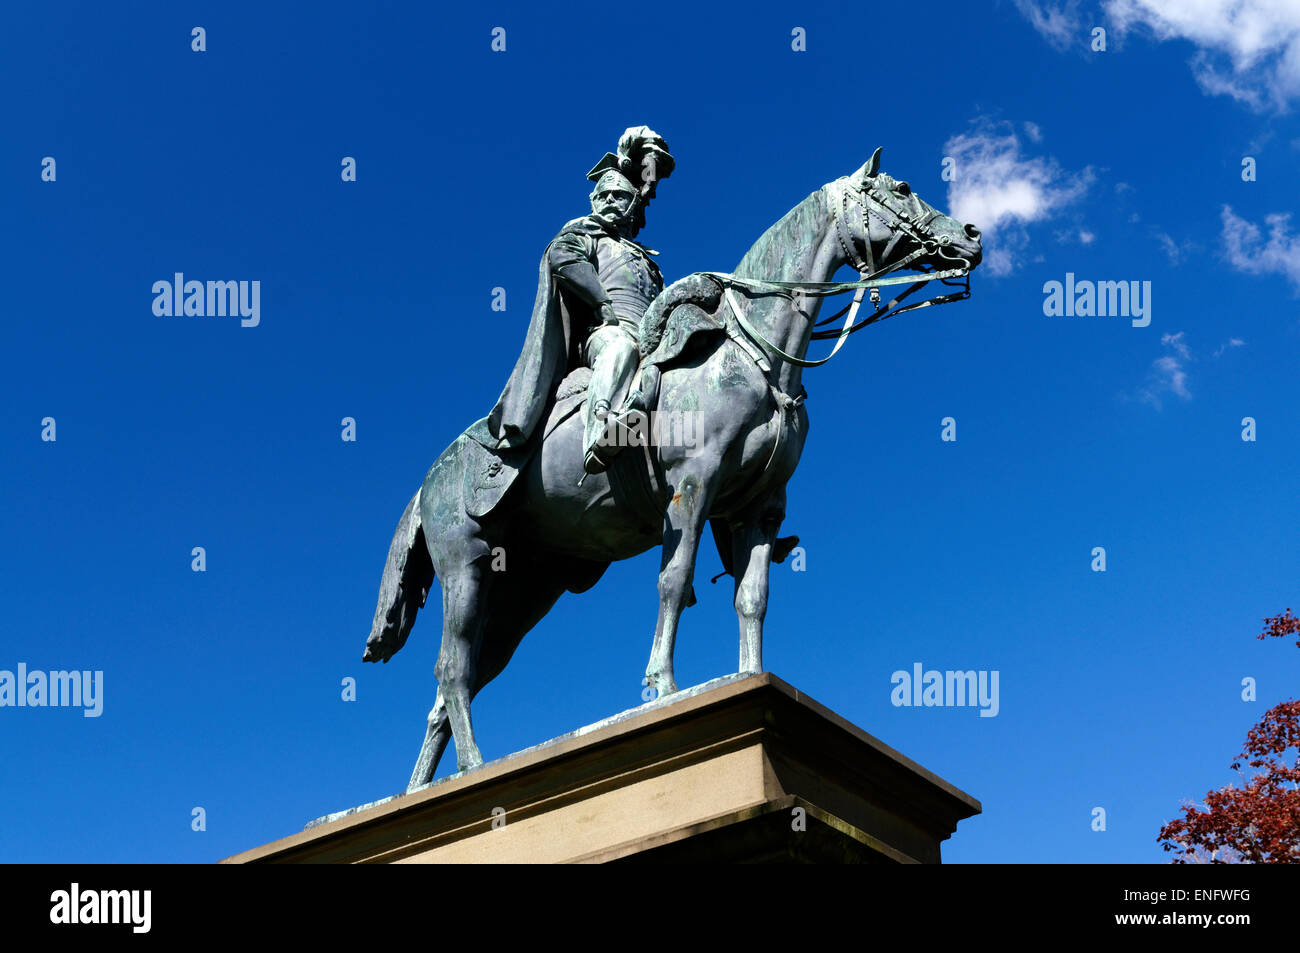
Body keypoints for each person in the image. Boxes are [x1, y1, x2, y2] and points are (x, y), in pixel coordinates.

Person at [479, 127, 675, 475]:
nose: (611, 202)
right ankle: (601, 427)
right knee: (620, 350)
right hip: (606, 332)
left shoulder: (648, 260)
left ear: (633, 204)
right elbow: (564, 258)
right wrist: (602, 303)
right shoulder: (585, 231)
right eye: (604, 196)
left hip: (653, 341)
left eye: (619, 196)